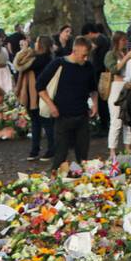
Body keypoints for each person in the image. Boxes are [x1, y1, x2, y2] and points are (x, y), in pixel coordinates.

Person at [37, 36, 99, 171]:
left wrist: (95, 104)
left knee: (83, 155)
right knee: (60, 154)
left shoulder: (88, 66)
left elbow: (93, 88)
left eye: (87, 55)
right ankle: (55, 182)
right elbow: (40, 86)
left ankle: (83, 180)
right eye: (83, 55)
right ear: (75, 51)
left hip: (82, 115)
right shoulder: (59, 64)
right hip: (62, 115)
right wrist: (51, 105)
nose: (86, 58)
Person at [15, 36, 55, 161]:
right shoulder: (42, 58)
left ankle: (49, 149)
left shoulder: (40, 59)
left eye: (37, 41)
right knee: (37, 122)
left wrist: (24, 51)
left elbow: (19, 64)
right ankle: (35, 150)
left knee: (43, 122)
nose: (35, 43)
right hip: (33, 94)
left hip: (38, 93)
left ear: (41, 44)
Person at [104, 31, 131, 158]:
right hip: (116, 87)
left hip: (128, 86)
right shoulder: (111, 54)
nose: (125, 42)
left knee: (129, 120)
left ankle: (128, 146)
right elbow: (114, 69)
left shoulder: (127, 53)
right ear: (116, 41)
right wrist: (126, 58)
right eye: (122, 40)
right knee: (116, 120)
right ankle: (112, 150)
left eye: (126, 40)